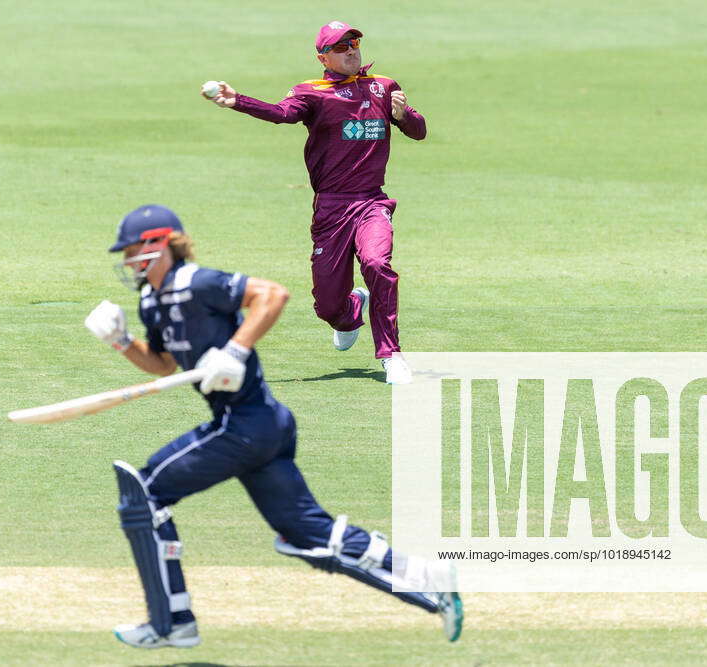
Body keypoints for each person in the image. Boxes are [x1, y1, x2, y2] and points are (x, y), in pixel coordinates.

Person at [84, 204, 462, 649]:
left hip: (245, 424)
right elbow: (165, 365)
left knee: (143, 492)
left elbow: (273, 295)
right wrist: (122, 342)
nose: (128, 261)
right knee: (306, 533)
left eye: (132, 251)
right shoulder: (151, 300)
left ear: (159, 244)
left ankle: (172, 623)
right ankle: (427, 578)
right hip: (257, 428)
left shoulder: (199, 282)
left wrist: (236, 350)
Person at [204, 21, 426, 385]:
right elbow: (282, 113)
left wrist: (404, 116)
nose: (352, 50)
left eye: (354, 42)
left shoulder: (383, 87)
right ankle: (351, 311)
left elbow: (419, 132)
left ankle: (391, 355)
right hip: (332, 209)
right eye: (341, 47)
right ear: (323, 56)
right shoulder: (312, 92)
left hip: (372, 202)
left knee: (377, 263)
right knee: (328, 307)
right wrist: (237, 101)